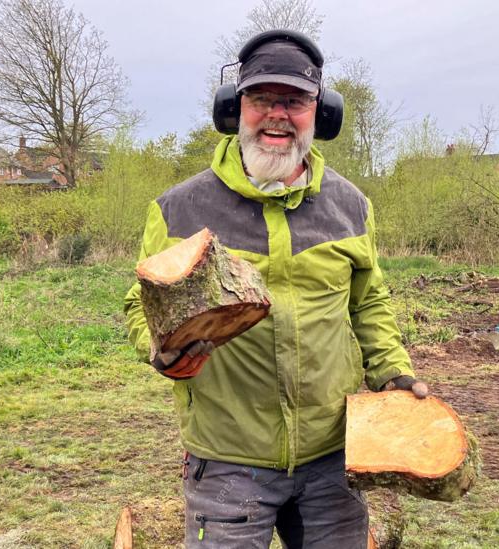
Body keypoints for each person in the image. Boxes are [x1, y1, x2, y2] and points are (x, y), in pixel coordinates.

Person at [124, 29, 428, 548]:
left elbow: (369, 302)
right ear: (233, 110)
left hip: (334, 456)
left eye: (294, 101)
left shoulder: (350, 205)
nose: (277, 115)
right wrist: (160, 350)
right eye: (261, 99)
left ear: (321, 113)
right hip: (227, 460)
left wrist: (394, 372)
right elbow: (140, 305)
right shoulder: (178, 208)